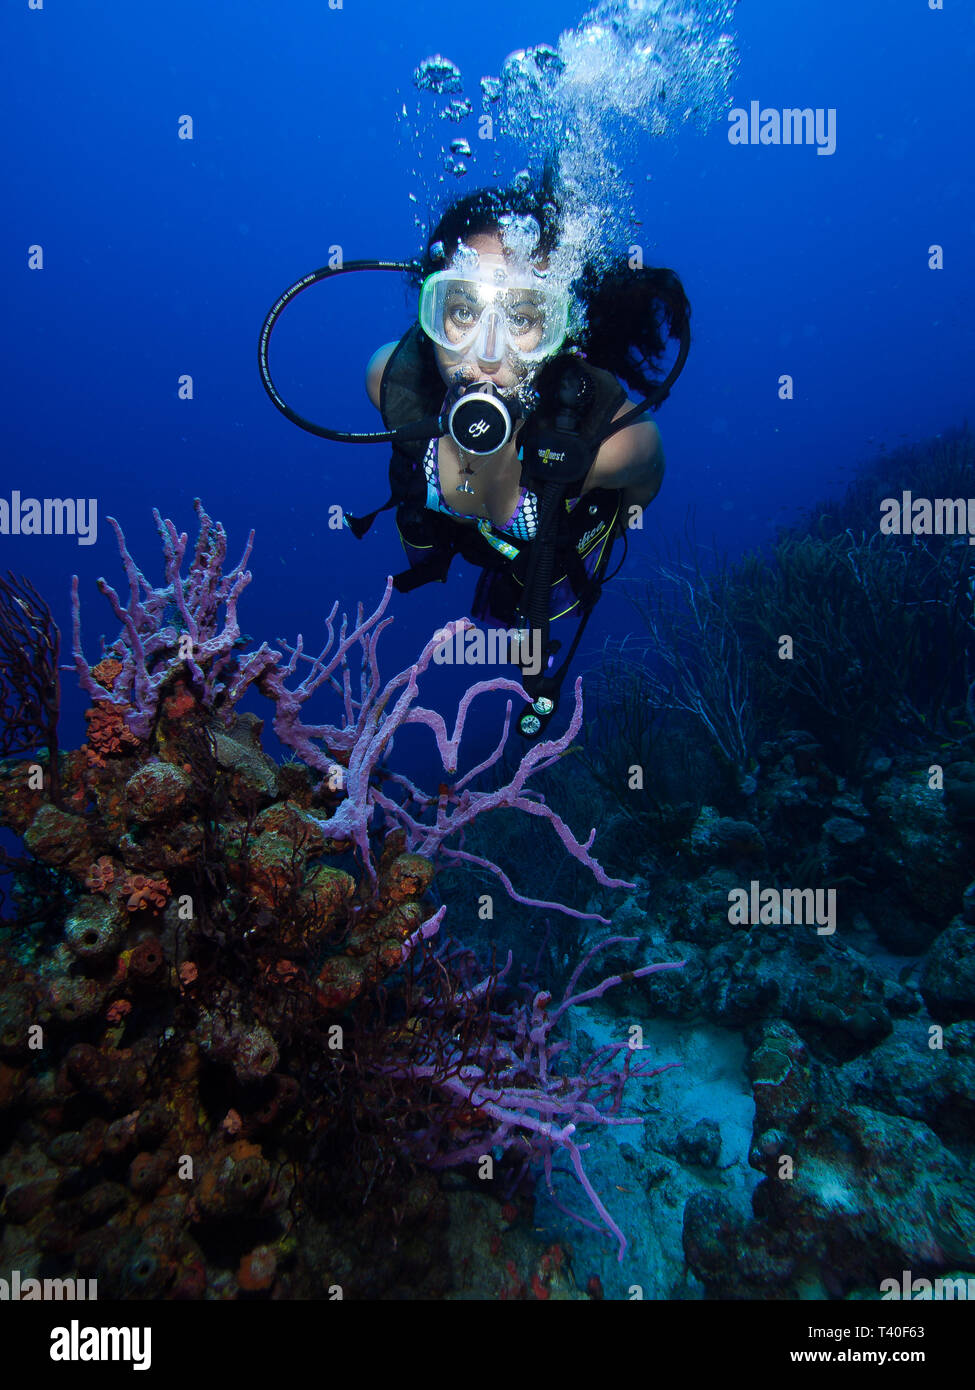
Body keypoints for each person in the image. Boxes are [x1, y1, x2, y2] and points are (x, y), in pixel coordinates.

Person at [356, 181, 690, 737]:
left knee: (535, 605)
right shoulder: (388, 384)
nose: (486, 354)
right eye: (462, 310)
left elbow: (646, 478)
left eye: (522, 318)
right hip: (448, 531)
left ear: (557, 335)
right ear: (430, 315)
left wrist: (591, 506)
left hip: (543, 547)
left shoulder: (610, 442)